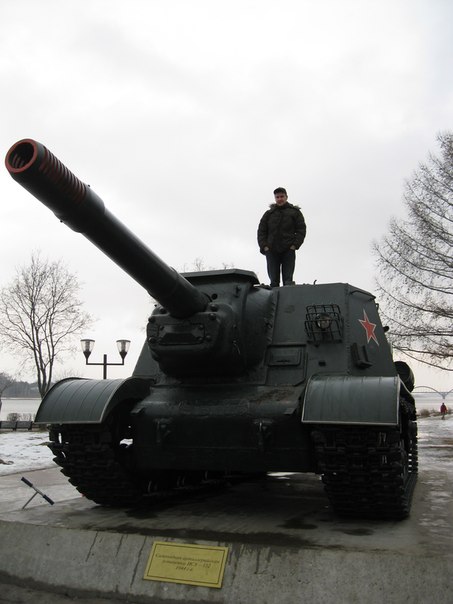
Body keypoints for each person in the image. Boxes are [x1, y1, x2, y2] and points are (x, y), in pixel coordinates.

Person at [257, 187, 306, 287]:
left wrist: (294, 245)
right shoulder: (269, 214)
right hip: (271, 249)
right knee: (274, 281)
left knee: (288, 281)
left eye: (282, 196)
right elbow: (261, 231)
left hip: (288, 249)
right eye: (277, 197)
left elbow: (301, 230)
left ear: (286, 197)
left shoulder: (295, 212)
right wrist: (264, 246)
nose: (279, 199)